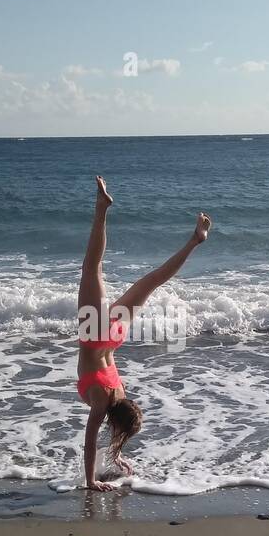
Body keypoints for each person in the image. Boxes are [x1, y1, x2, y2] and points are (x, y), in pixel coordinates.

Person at [77, 175, 211, 491]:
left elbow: (116, 423)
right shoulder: (101, 403)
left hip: (112, 337)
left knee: (152, 281)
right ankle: (101, 209)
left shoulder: (119, 394)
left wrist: (118, 455)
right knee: (92, 266)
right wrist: (90, 481)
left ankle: (194, 240)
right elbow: (89, 442)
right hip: (95, 335)